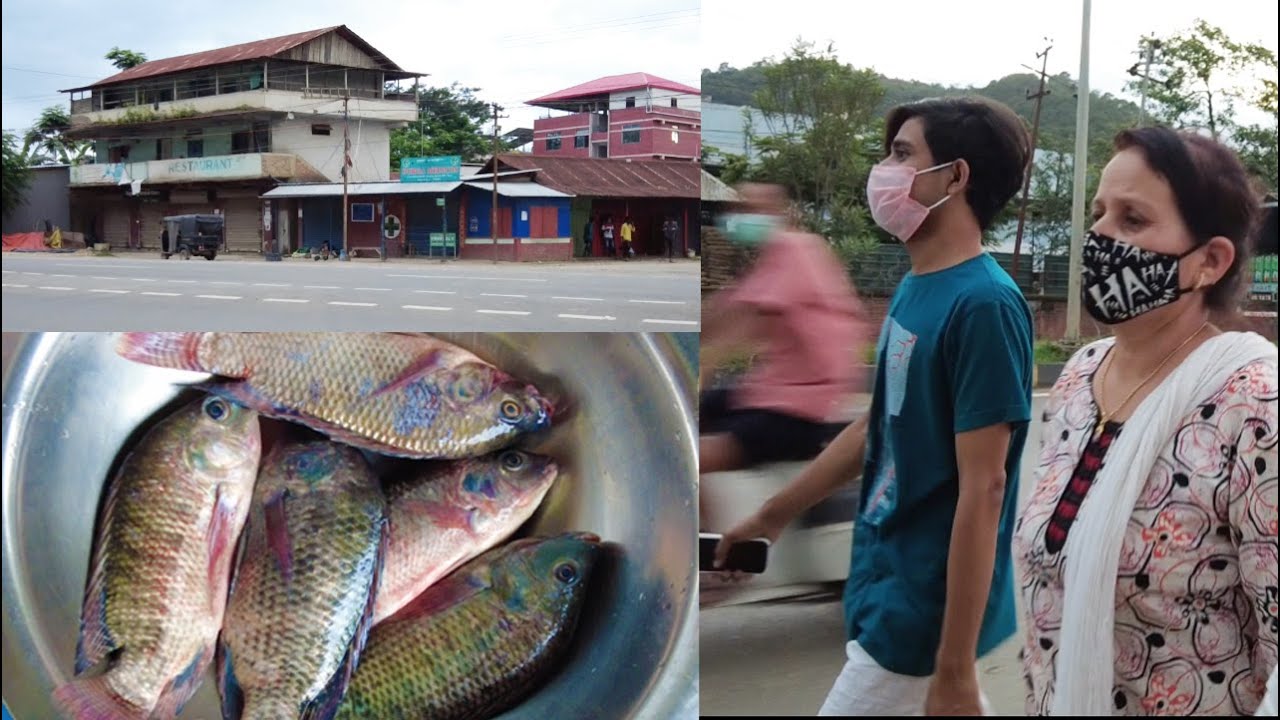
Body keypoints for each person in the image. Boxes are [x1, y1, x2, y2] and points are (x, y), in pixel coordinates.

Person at [715, 97, 1035, 716]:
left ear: (956, 176)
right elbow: (877, 424)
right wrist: (772, 517)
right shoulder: (918, 286)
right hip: (883, 578)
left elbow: (985, 490)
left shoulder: (985, 307)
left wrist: (954, 664)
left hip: (922, 608)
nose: (883, 171)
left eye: (902, 154)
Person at [1014, 127, 1278, 716]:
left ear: (1210, 261)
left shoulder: (1255, 405)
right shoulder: (1081, 377)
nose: (1100, 235)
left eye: (1132, 220)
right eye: (1099, 212)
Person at [699, 183, 868, 526]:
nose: (740, 218)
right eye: (740, 209)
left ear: (778, 214)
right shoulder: (775, 258)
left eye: (751, 210)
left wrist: (703, 363)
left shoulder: (794, 250)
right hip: (766, 393)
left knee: (687, 455)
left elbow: (741, 321)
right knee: (694, 409)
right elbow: (727, 307)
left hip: (796, 412)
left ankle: (713, 553)